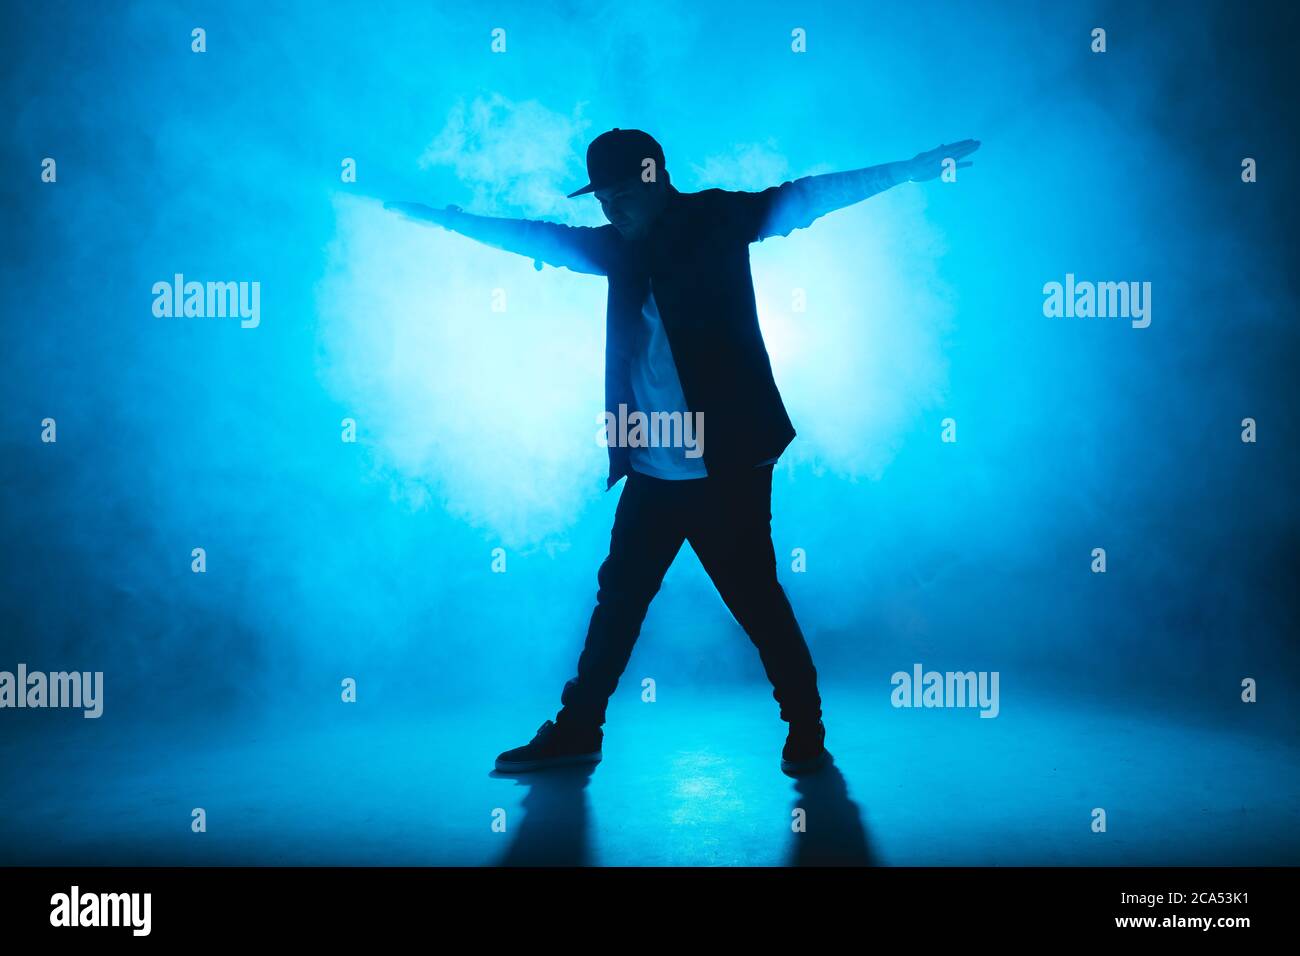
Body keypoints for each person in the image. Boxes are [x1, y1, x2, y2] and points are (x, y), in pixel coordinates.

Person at [387, 128, 979, 775]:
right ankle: (580, 728)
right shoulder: (616, 249)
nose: (611, 210)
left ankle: (806, 729)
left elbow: (808, 198)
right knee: (618, 603)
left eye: (621, 195)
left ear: (654, 178)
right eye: (602, 200)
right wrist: (443, 220)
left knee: (756, 601)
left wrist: (907, 169)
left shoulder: (720, 219)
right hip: (652, 467)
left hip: (726, 468)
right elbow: (532, 237)